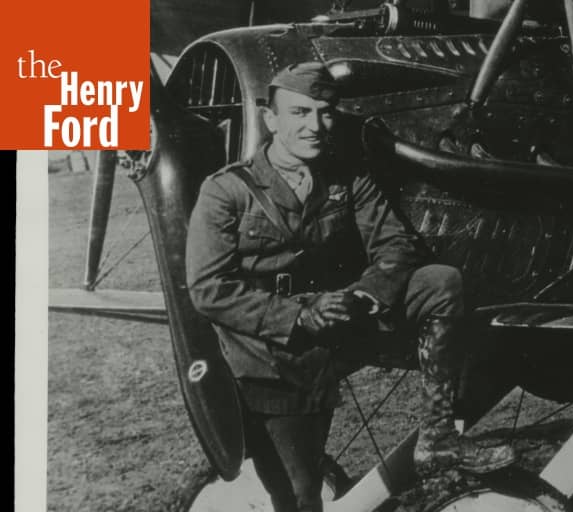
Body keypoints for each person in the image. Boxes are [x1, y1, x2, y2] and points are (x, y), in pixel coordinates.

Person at [185, 62, 515, 512]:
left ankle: (437, 434)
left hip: (343, 321)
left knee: (440, 282)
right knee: (299, 493)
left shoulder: (347, 177)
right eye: (300, 113)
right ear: (270, 118)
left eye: (325, 113)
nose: (315, 126)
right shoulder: (226, 191)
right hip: (271, 352)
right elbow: (209, 288)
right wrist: (297, 315)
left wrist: (364, 295)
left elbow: (396, 245)